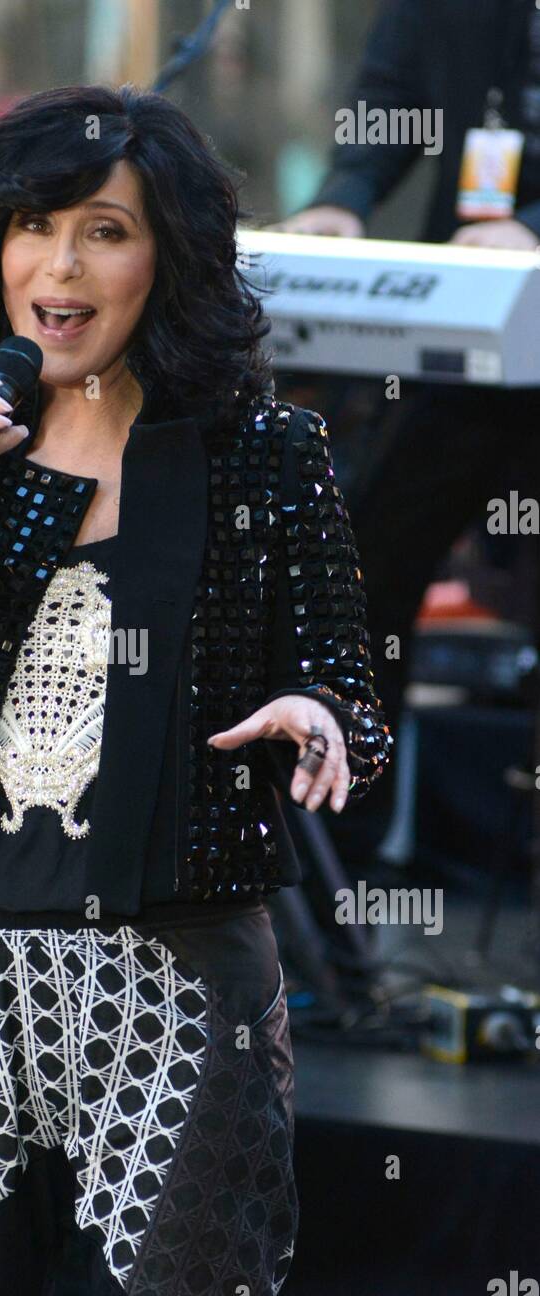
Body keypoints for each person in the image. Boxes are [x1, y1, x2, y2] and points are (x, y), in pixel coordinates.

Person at [0, 83, 392, 1296]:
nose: (61, 261)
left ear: (168, 258)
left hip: (177, 999)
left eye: (105, 229)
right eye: (32, 226)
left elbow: (345, 691)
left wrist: (317, 717)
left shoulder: (262, 452)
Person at [275, 0, 540, 866]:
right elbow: (390, 93)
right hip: (467, 327)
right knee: (360, 570)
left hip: (508, 273)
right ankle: (335, 887)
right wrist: (344, 199)